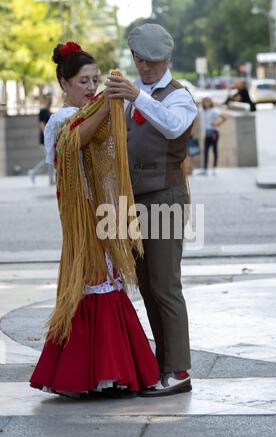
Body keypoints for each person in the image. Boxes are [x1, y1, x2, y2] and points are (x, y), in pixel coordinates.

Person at [29, 42, 159, 399]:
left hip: (100, 211)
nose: (90, 87)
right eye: (83, 81)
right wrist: (105, 104)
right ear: (64, 83)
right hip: (79, 216)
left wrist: (110, 103)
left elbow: (103, 140)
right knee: (91, 279)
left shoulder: (88, 113)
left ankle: (112, 372)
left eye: (95, 80)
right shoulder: (59, 121)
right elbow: (77, 140)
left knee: (109, 278)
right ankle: (89, 374)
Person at [105, 24, 198, 397]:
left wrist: (136, 97)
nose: (146, 68)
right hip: (133, 201)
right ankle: (163, 364)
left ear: (168, 60)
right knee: (146, 285)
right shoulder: (133, 93)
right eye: (141, 60)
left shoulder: (180, 96)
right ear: (133, 58)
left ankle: (178, 370)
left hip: (166, 198)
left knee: (165, 286)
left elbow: (174, 127)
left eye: (154, 62)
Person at [28, 93, 55, 185]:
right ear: (44, 101)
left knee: (50, 159)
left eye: (51, 100)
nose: (50, 102)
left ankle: (35, 173)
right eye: (48, 100)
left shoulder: (50, 113)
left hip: (50, 140)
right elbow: (41, 125)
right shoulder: (43, 111)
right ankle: (34, 173)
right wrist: (47, 137)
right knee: (49, 159)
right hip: (44, 141)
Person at [200, 97, 226, 175]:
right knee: (205, 150)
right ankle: (205, 169)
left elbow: (224, 118)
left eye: (208, 102)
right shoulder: (202, 111)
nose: (206, 103)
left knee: (214, 150)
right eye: (205, 102)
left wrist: (217, 124)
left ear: (211, 102)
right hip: (207, 133)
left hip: (214, 133)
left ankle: (214, 168)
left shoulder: (214, 111)